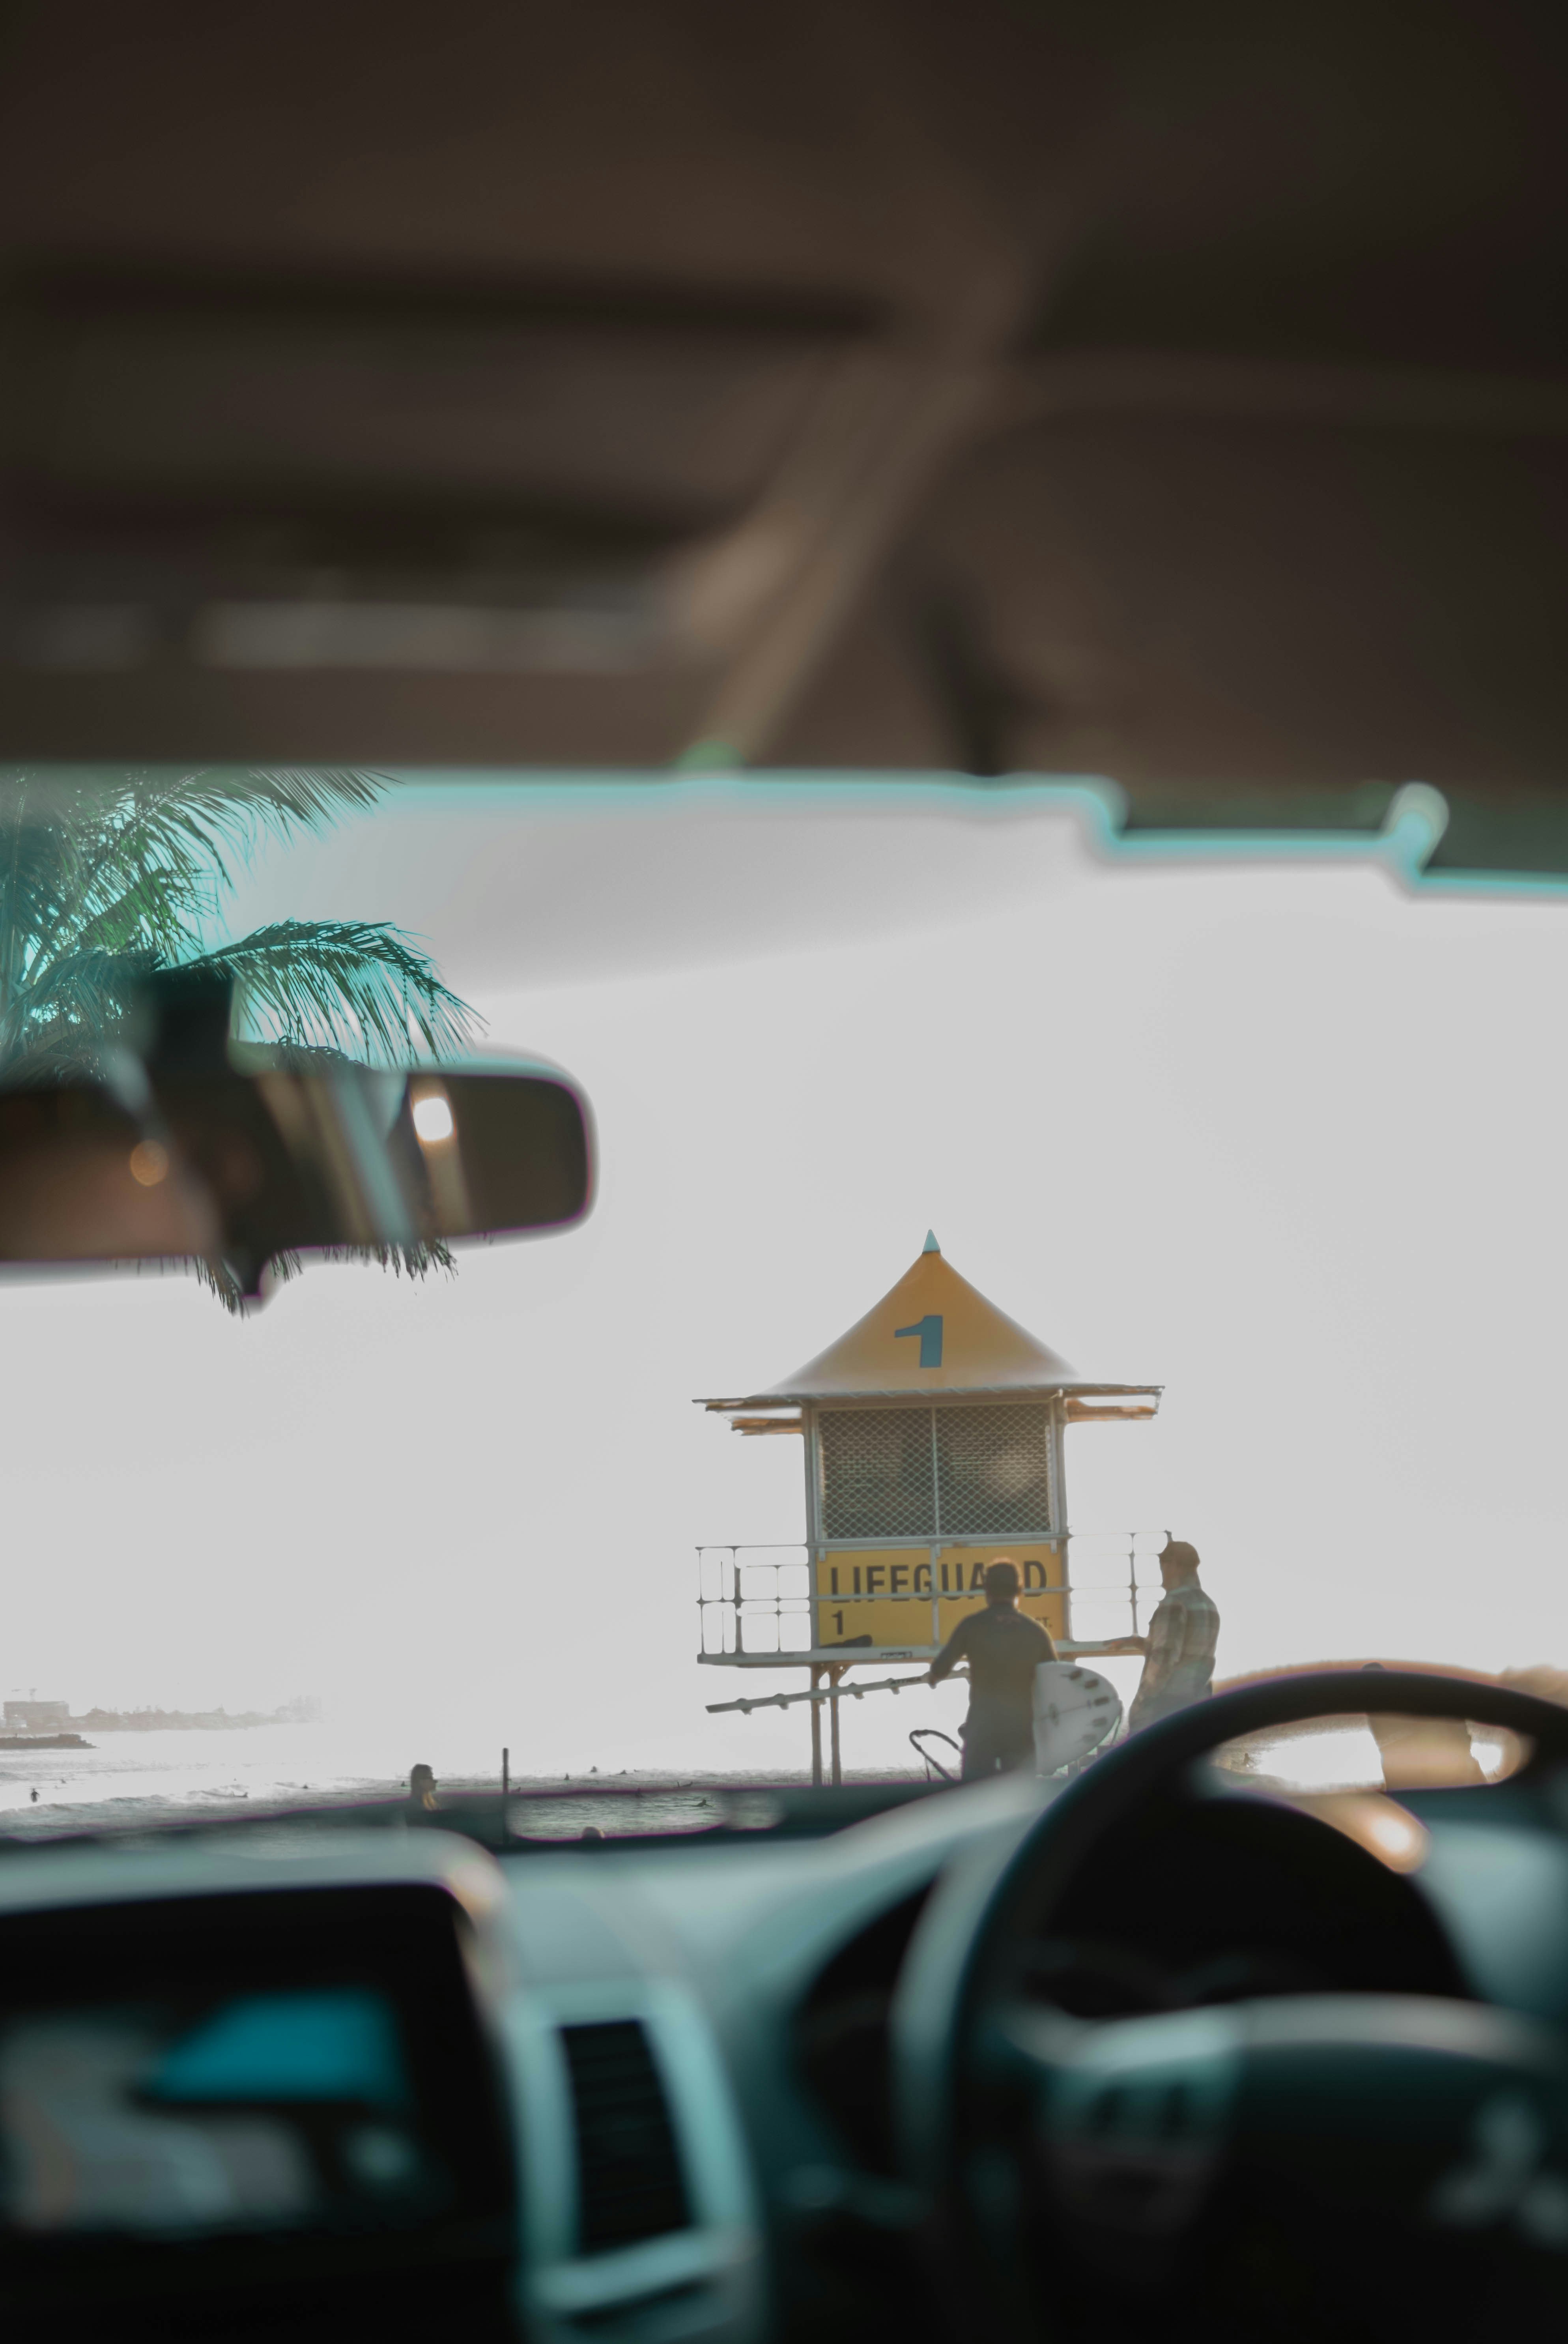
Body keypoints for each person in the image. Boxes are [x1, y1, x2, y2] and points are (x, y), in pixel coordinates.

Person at [928, 1557, 1058, 1779]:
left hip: (983, 1726)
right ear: (1019, 1591)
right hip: (1021, 1728)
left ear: (987, 1590)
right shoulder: (1035, 1631)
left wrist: (933, 1677)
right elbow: (1055, 1679)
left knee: (975, 1796)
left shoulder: (972, 1625)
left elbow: (941, 1667)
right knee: (1022, 1798)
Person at [1116, 1538, 1220, 1732]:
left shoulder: (1174, 1603)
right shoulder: (1209, 1606)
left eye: (1162, 1565)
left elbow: (1165, 1658)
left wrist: (1142, 1701)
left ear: (1172, 1564)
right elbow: (1190, 1653)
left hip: (1164, 1711)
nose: (1162, 1572)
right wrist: (1143, 1643)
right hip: (1198, 1706)